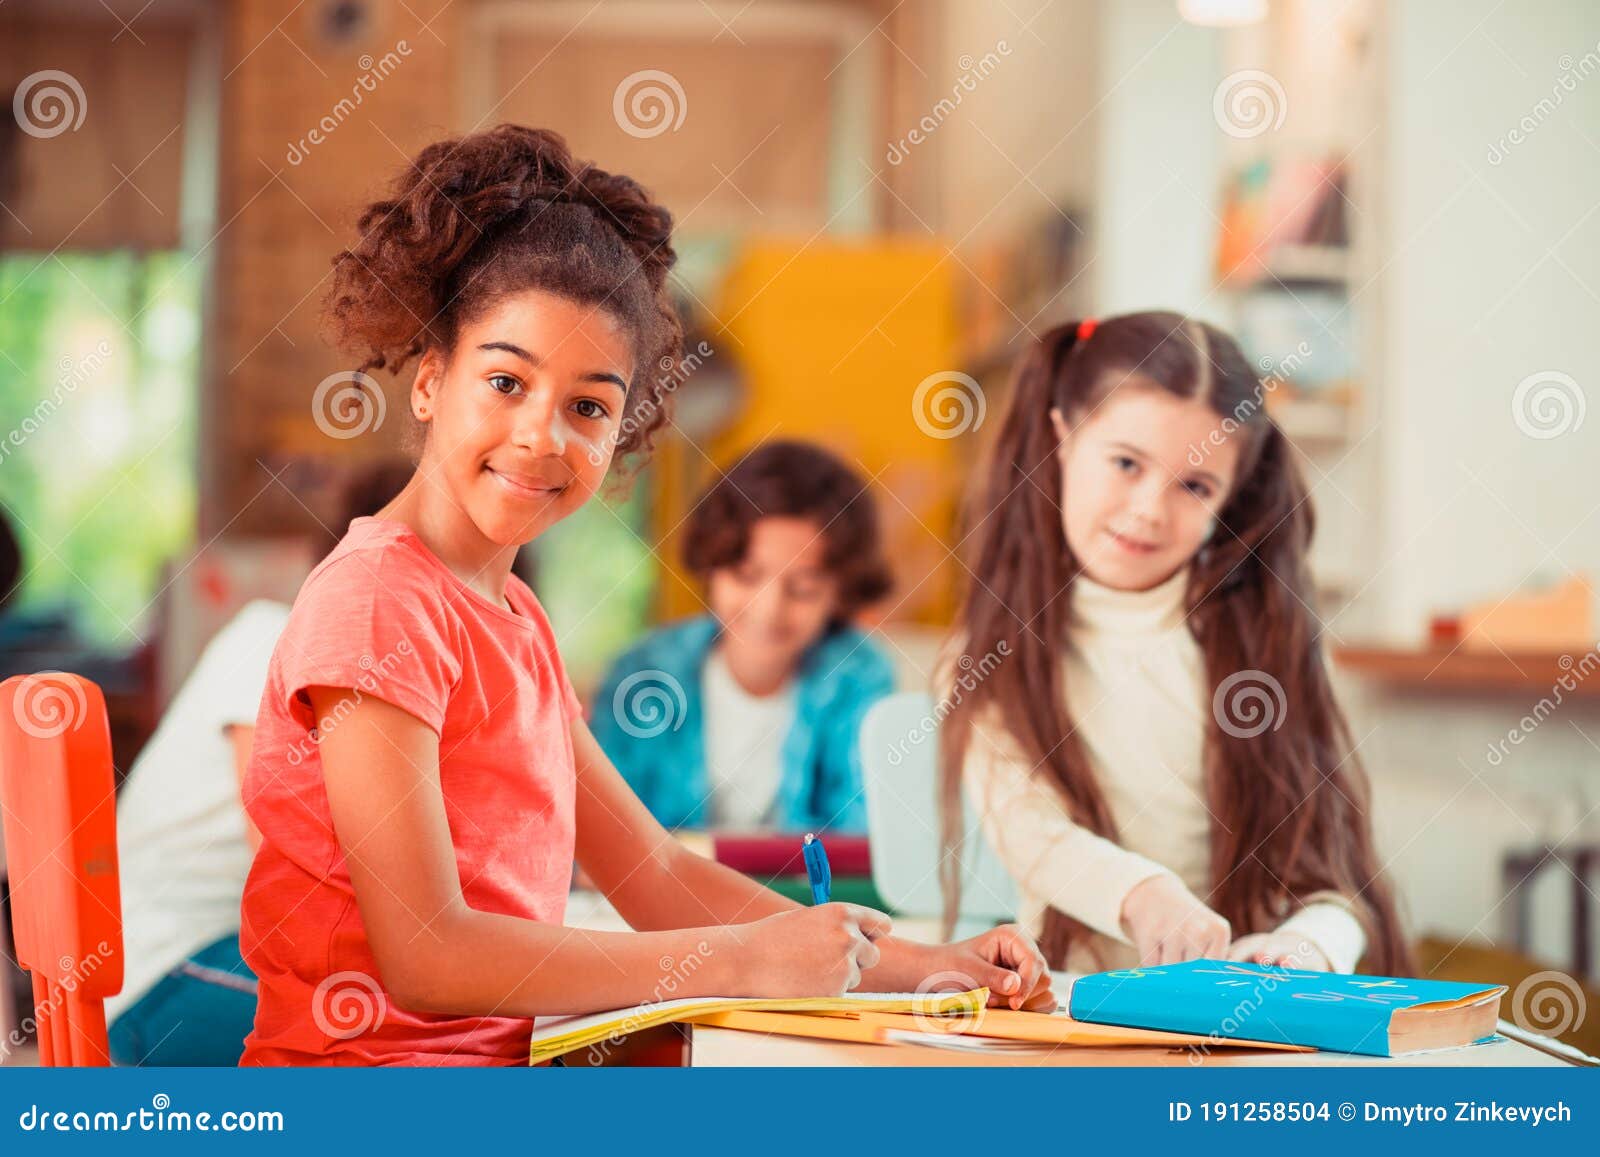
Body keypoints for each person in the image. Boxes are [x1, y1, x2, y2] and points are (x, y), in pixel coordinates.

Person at [237, 124, 1053, 1067]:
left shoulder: (511, 618)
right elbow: (427, 952)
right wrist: (743, 958)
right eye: (505, 380)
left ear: (622, 430)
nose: (544, 434)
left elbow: (654, 870)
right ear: (430, 380)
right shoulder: (379, 599)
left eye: (589, 406)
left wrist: (922, 963)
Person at [937, 312, 1412, 976]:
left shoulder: (1269, 635)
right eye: (1127, 462)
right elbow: (1033, 837)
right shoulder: (984, 657)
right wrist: (1148, 895)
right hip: (1075, 1013)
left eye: (1195, 485)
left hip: (1249, 1031)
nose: (1150, 510)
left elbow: (1336, 888)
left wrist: (1311, 946)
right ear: (1063, 436)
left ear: (1230, 497)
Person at [107, 460, 413, 1066]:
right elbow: (291, 871)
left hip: (252, 956)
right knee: (406, 1035)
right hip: (167, 972)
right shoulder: (272, 638)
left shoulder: (386, 691)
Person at [592, 440, 894, 832]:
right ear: (711, 565)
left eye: (804, 588)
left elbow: (865, 837)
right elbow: (600, 834)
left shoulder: (858, 678)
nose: (769, 609)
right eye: (746, 576)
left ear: (841, 592)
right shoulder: (644, 672)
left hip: (801, 897)